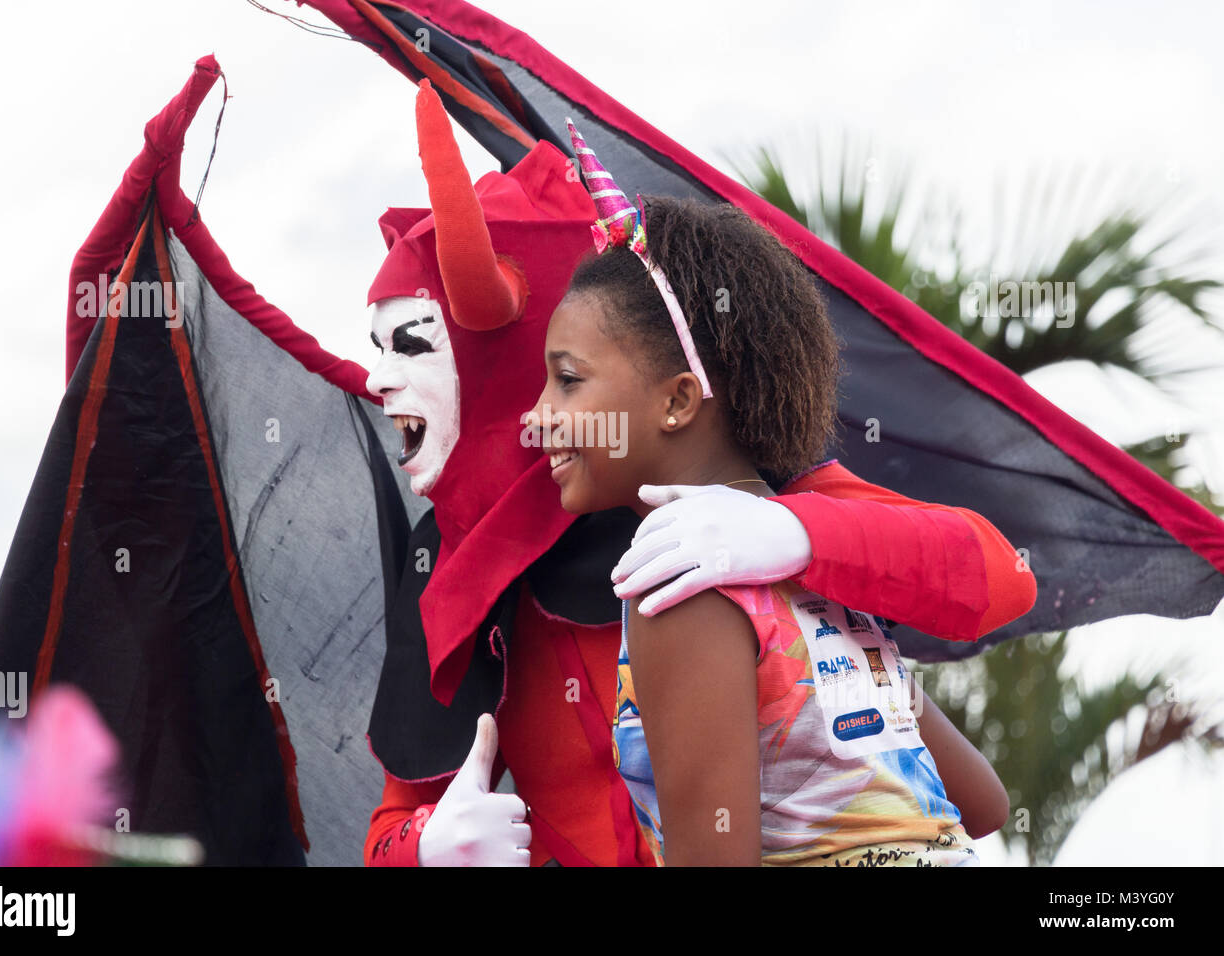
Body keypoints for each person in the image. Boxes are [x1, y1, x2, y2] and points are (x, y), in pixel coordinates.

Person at [363, 87, 1027, 867]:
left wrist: (798, 531)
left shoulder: (733, 534)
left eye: (410, 344)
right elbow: (978, 804)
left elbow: (999, 575)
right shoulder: (449, 573)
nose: (378, 381)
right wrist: (426, 849)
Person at [523, 122, 1009, 864]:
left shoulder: (679, 582)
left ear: (679, 401)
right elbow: (981, 802)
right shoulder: (821, 573)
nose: (538, 416)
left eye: (568, 380)